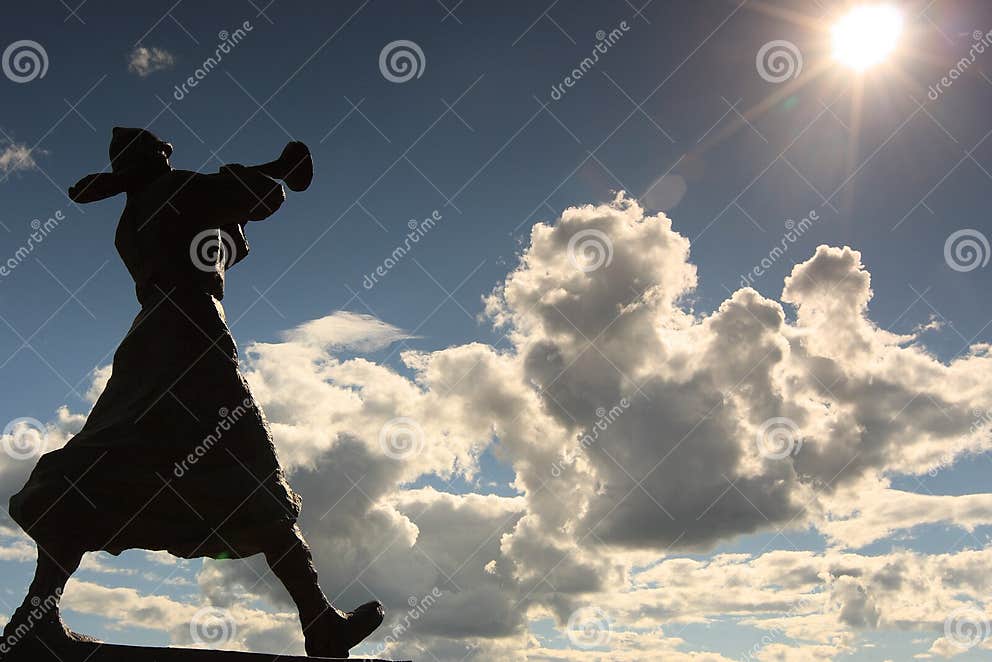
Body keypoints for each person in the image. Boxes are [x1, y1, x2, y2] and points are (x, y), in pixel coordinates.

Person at [3, 128, 382, 658]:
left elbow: (229, 221)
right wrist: (271, 169)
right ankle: (320, 622)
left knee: (103, 468)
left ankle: (35, 617)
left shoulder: (133, 218)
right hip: (194, 332)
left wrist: (245, 182)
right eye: (163, 152)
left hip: (151, 338)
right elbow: (254, 200)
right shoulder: (178, 190)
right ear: (153, 161)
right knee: (251, 469)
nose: (170, 156)